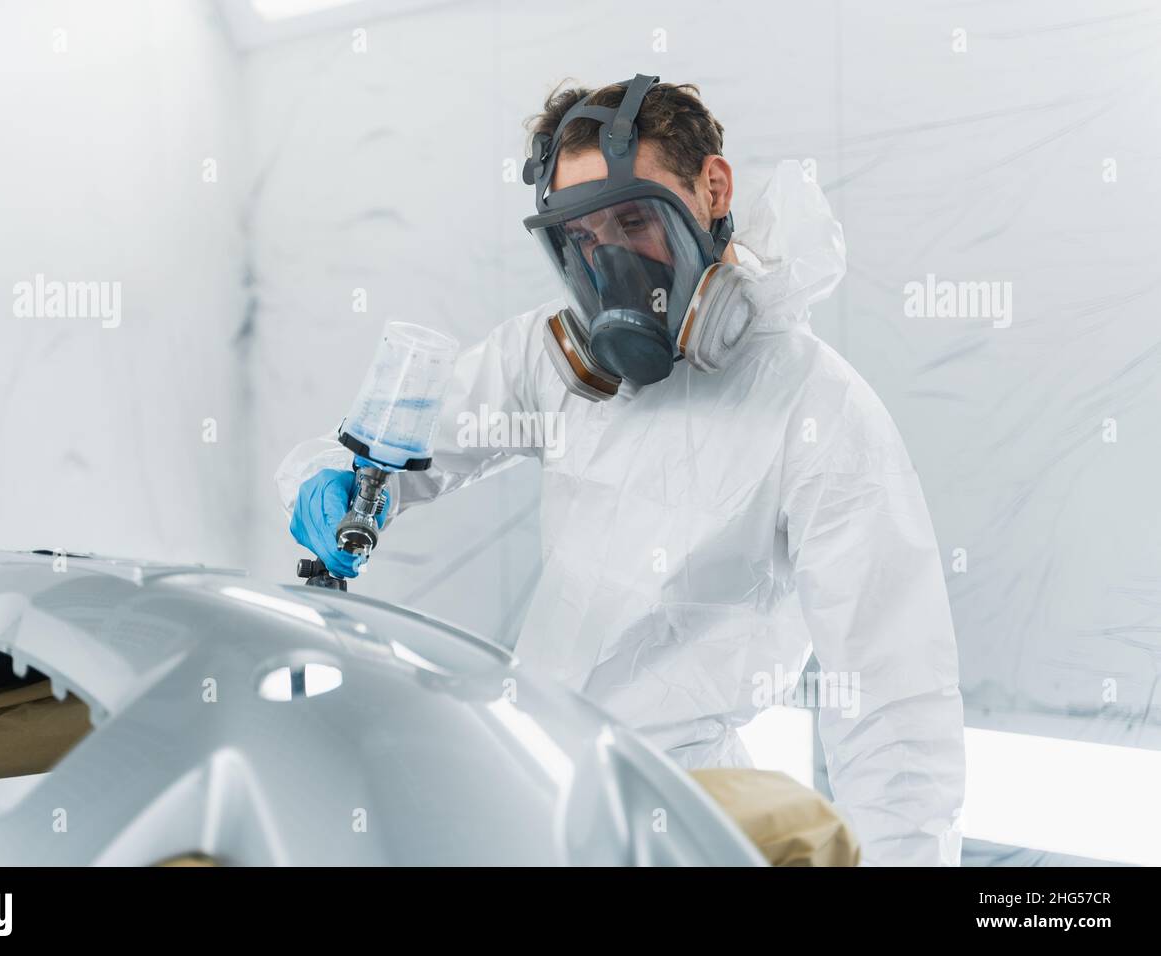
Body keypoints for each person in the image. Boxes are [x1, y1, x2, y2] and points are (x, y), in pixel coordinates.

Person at [276, 75, 965, 866]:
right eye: (584, 239)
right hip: (533, 779)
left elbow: (896, 709)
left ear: (712, 187)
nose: (613, 265)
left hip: (681, 817)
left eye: (635, 219)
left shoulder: (818, 409)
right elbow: (389, 449)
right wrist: (329, 486)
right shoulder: (556, 359)